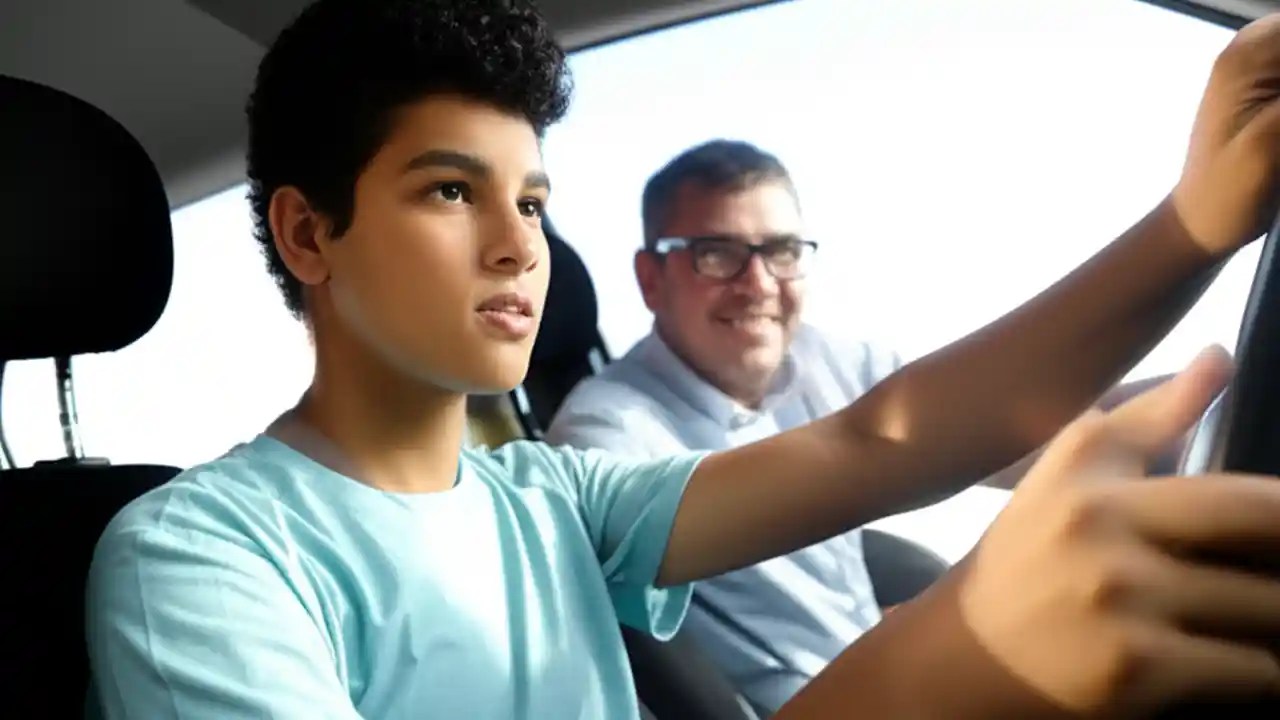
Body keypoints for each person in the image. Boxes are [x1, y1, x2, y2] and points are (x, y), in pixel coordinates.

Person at [84, 1, 1280, 718]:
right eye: (450, 191)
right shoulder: (196, 556)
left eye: (535, 200)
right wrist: (955, 656)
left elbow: (881, 439)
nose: (518, 245)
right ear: (309, 233)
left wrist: (1188, 225)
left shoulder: (550, 498)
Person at [546, 138, 1175, 715]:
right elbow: (891, 440)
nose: (759, 283)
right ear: (650, 278)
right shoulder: (607, 433)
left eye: (782, 251)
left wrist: (1202, 393)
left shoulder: (831, 363)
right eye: (718, 255)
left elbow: (1019, 433)